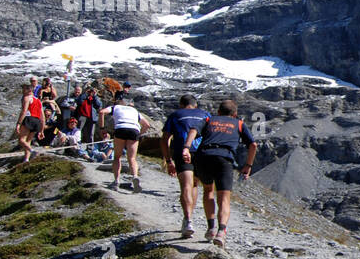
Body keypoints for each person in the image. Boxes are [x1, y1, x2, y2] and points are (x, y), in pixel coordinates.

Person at [182, 99, 257, 247]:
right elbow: (253, 145)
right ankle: (221, 232)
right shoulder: (239, 124)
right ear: (235, 114)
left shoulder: (209, 119)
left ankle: (211, 228)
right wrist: (248, 165)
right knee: (224, 197)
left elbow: (193, 130)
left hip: (203, 156)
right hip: (224, 158)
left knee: (208, 190)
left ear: (218, 112)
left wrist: (186, 147)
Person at [162, 94, 211, 239]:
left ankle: (188, 220)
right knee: (195, 184)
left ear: (181, 104)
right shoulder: (206, 115)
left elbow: (165, 139)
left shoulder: (175, 115)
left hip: (182, 151)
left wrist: (168, 161)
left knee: (186, 186)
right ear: (196, 105)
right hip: (203, 153)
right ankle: (196, 220)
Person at [102, 92, 151, 191]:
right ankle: (135, 177)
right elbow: (147, 125)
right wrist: (140, 134)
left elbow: (101, 112)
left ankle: (116, 181)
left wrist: (102, 128)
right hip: (134, 130)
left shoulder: (115, 107)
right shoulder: (135, 111)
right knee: (132, 158)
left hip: (120, 128)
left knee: (117, 157)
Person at [15, 81, 42, 163]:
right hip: (37, 120)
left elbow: (24, 111)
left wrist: (18, 123)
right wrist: (41, 130)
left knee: (21, 140)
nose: (22, 90)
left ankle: (32, 151)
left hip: (29, 119)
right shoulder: (38, 100)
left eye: (23, 88)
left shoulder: (27, 98)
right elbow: (42, 116)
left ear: (28, 89)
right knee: (28, 141)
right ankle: (26, 159)